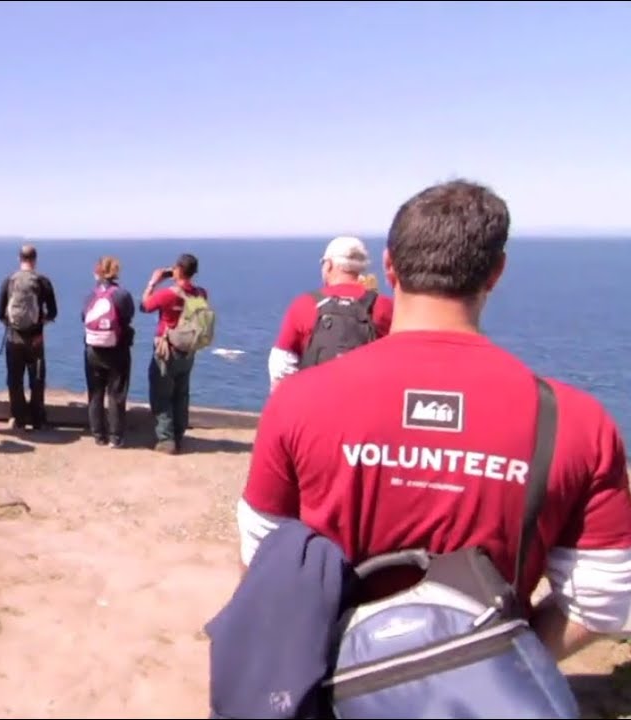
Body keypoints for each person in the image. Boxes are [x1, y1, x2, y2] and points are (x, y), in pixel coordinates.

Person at [238, 179, 631, 662]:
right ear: (496, 272)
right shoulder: (576, 422)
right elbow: (601, 602)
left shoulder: (296, 401)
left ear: (388, 267)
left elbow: (261, 558)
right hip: (482, 696)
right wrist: (505, 668)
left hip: (331, 681)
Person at [268, 235, 394, 392]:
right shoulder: (385, 306)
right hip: (366, 407)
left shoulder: (305, 304)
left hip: (315, 406)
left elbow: (281, 367)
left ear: (328, 265)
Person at [140, 253, 209, 455]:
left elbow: (144, 306)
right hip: (188, 351)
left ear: (177, 269)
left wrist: (153, 282)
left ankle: (166, 440)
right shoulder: (201, 293)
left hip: (167, 349)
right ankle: (179, 435)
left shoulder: (167, 294)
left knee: (161, 394)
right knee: (181, 393)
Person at [0, 245, 58, 431]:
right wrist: (40, 323)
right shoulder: (43, 281)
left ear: (19, 258)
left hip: (14, 339)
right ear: (35, 259)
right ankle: (38, 419)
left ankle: (19, 418)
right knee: (37, 379)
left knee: (15, 379)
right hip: (36, 339)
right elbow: (53, 312)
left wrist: (12, 324)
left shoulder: (9, 281)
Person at [81, 256, 135, 448]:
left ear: (98, 271)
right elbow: (128, 316)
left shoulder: (90, 295)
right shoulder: (122, 295)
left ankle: (98, 435)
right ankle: (116, 437)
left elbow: (83, 317)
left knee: (95, 393)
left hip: (93, 350)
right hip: (117, 349)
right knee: (116, 393)